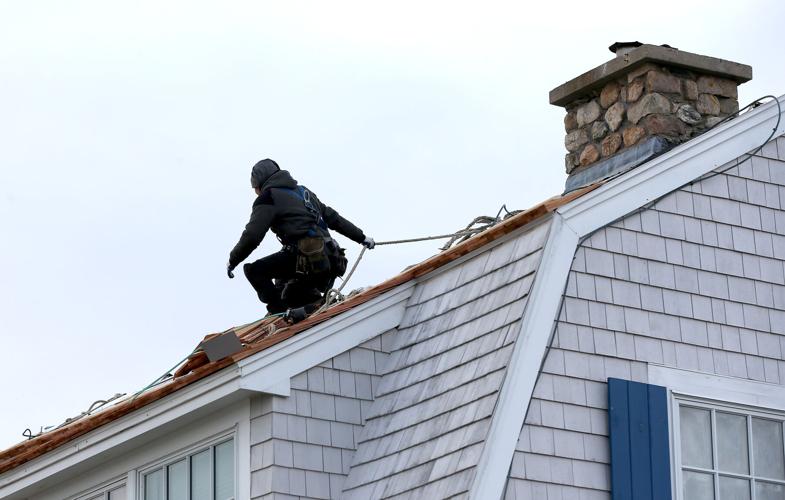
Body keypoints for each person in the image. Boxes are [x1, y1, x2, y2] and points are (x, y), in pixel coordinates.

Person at [227, 159, 375, 314]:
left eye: (255, 188)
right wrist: (361, 238)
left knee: (255, 271)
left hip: (307, 260)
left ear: (260, 184)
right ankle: (311, 306)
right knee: (284, 286)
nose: (256, 192)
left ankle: (279, 314)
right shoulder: (304, 193)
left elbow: (252, 236)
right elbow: (334, 219)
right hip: (330, 260)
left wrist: (233, 260)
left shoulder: (268, 197)